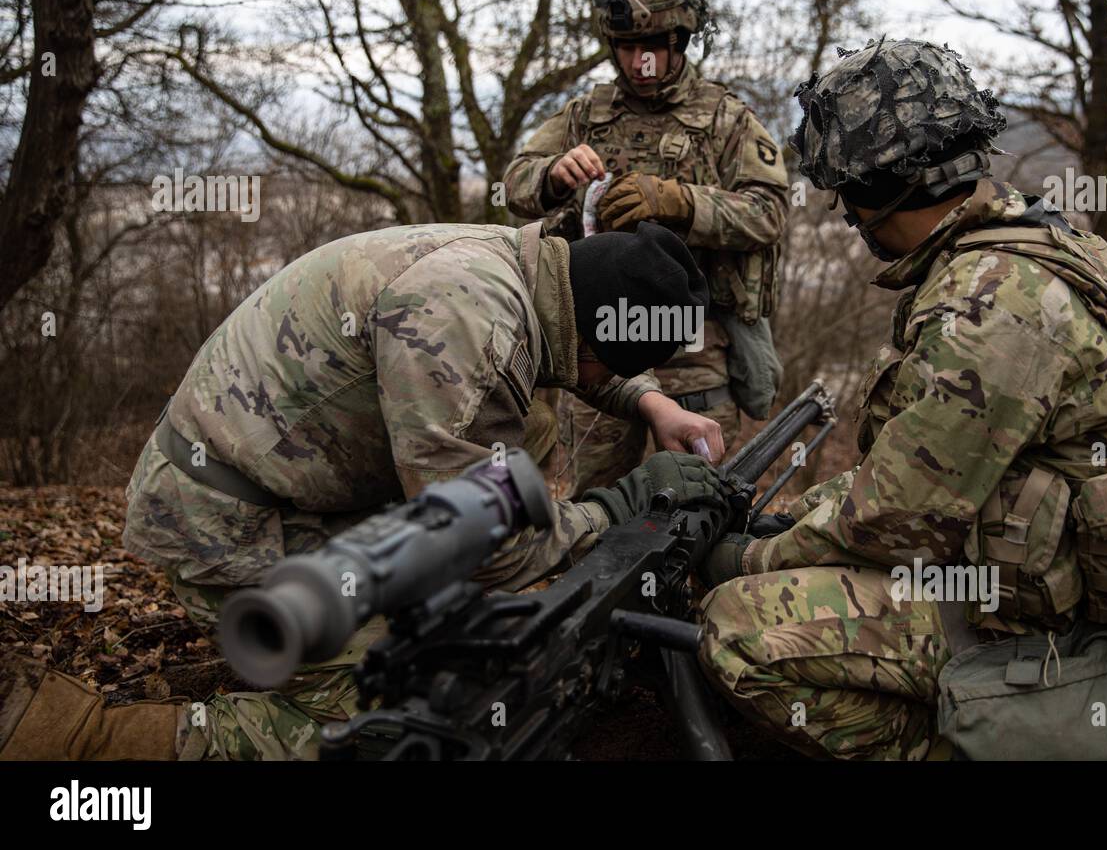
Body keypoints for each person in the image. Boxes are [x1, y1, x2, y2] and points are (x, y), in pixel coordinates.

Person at [697, 38, 1107, 760]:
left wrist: (747, 560)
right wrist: (796, 517)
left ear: (880, 187)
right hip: (1071, 580)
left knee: (739, 625)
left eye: (846, 195)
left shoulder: (990, 303)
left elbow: (897, 522)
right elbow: (923, 467)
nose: (847, 217)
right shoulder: (1045, 243)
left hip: (1055, 622)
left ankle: (969, 743)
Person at [0, 220, 727, 760]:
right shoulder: (465, 320)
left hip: (287, 491)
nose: (599, 383)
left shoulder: (523, 269)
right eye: (611, 373)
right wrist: (613, 508)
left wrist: (648, 403)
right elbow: (485, 544)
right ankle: (74, 739)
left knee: (471, 633)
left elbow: (581, 350)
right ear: (592, 342)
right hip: (225, 520)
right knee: (398, 730)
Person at [504, 0, 789, 496]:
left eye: (653, 46)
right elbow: (516, 182)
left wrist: (681, 202)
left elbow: (769, 213)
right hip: (596, 347)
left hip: (693, 347)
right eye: (628, 48)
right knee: (597, 503)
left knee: (702, 503)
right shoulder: (586, 114)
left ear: (679, 40)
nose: (641, 62)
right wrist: (556, 175)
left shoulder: (727, 119)